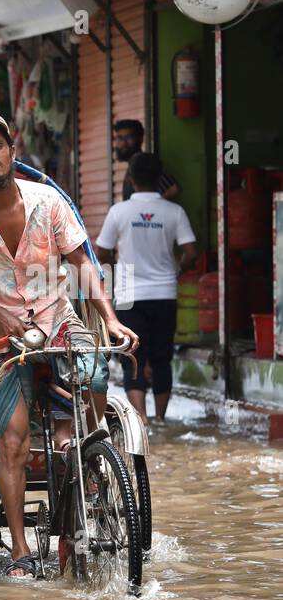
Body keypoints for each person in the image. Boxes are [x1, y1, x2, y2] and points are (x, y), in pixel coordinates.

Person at [0, 112, 138, 578]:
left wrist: (110, 319)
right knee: (14, 444)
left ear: (12, 151)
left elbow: (83, 263)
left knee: (97, 371)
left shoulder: (48, 202)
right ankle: (21, 550)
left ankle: (85, 459)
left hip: (57, 319)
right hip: (2, 340)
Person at [95, 152, 197, 421]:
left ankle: (140, 422)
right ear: (159, 178)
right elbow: (190, 252)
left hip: (130, 296)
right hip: (165, 294)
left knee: (133, 358)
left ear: (130, 178)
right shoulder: (175, 212)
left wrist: (116, 261)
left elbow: (100, 251)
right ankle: (161, 419)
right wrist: (176, 270)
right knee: (163, 358)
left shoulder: (119, 212)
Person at [113, 119, 179, 202]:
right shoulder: (133, 163)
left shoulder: (143, 162)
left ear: (140, 138)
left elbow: (173, 189)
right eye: (119, 138)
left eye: (129, 137)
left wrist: (152, 207)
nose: (123, 143)